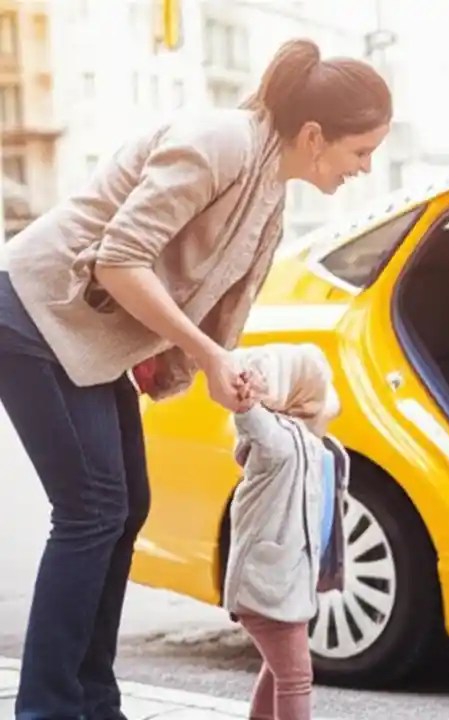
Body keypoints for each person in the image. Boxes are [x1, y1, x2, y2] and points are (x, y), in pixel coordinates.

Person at [0, 37, 390, 720]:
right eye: (361, 151)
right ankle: (48, 709)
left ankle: (94, 703)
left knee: (127, 506)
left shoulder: (269, 194)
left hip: (83, 340)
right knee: (92, 510)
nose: (366, 167)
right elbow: (119, 259)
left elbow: (215, 310)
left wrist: (226, 370)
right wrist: (209, 355)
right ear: (314, 136)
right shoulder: (219, 142)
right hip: (35, 314)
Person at [224, 342, 348, 720]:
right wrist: (248, 395)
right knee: (296, 677)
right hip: (269, 585)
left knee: (278, 669)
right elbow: (251, 419)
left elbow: (331, 406)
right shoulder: (279, 441)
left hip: (284, 583)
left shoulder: (308, 440)